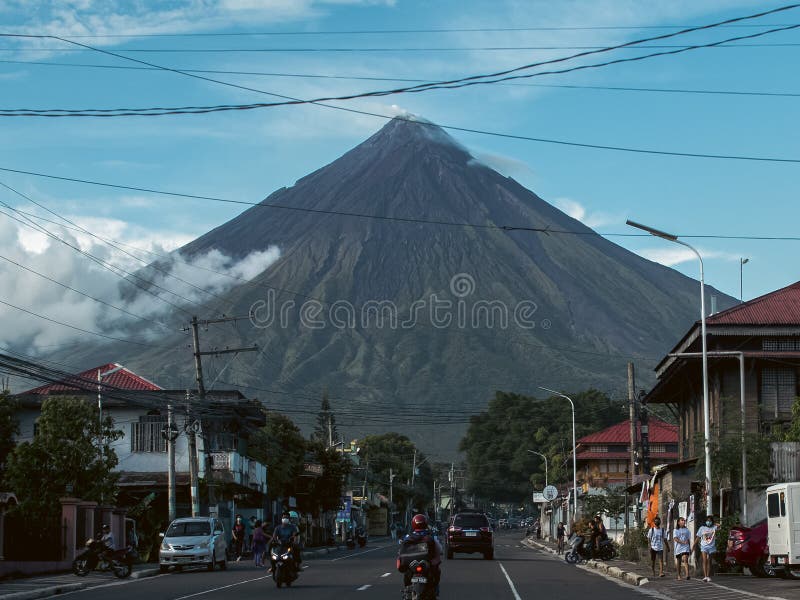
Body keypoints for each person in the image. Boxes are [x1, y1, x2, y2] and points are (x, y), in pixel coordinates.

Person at [399, 514, 441, 596]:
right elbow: (439, 549)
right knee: (437, 571)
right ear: (425, 523)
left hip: (411, 565)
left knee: (407, 574)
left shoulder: (408, 536)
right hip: (427, 564)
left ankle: (407, 590)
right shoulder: (431, 537)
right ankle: (435, 589)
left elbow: (401, 548)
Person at [693, 515, 718, 582]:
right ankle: (705, 576)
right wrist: (693, 546)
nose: (708, 522)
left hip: (711, 547)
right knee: (705, 561)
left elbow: (719, 525)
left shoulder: (714, 528)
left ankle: (708, 576)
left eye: (710, 521)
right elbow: (698, 537)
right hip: (704, 546)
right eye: (707, 521)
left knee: (709, 561)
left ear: (712, 522)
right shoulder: (702, 528)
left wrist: (714, 523)